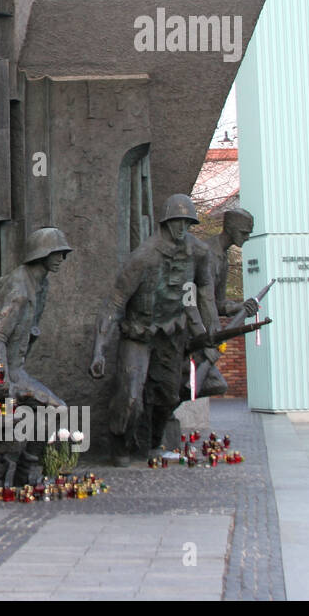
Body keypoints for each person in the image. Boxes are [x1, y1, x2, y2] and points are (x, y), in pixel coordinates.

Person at [89, 194, 216, 466]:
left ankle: (152, 442)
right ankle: (120, 445)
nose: (182, 228)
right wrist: (99, 350)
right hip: (139, 332)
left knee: (169, 393)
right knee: (131, 395)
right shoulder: (144, 257)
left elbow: (204, 292)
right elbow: (115, 303)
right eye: (177, 222)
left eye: (187, 222)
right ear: (166, 223)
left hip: (171, 334)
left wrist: (211, 330)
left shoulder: (199, 253)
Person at [0, 228, 72, 485]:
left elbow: (14, 278)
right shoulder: (20, 290)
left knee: (55, 410)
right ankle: (20, 470)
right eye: (56, 253)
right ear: (40, 255)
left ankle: (25, 470)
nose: (61, 258)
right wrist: (3, 380)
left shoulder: (37, 281)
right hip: (1, 371)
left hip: (16, 369)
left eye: (62, 253)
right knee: (54, 410)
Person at [183, 207, 258, 401]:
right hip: (191, 332)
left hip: (206, 335)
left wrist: (240, 307)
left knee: (214, 385)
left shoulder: (223, 258)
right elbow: (192, 299)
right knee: (205, 385)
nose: (248, 237)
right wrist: (203, 336)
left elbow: (218, 303)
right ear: (231, 228)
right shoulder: (204, 252)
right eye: (244, 232)